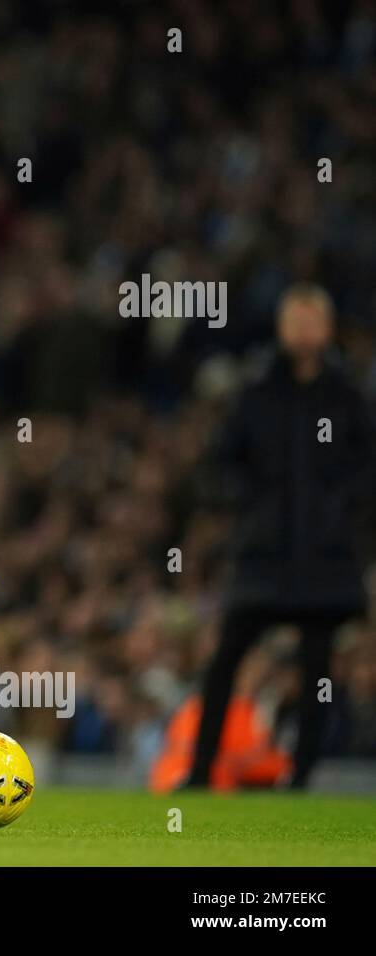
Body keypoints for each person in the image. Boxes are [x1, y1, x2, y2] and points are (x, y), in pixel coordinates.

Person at [188, 283, 374, 789]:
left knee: (317, 669)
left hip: (324, 555)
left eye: (313, 319)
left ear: (329, 328)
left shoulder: (348, 396)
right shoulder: (256, 393)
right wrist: (249, 501)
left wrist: (341, 509)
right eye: (296, 319)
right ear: (281, 327)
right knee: (225, 659)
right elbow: (220, 462)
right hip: (265, 554)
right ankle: (201, 770)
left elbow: (367, 465)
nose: (304, 330)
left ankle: (303, 775)